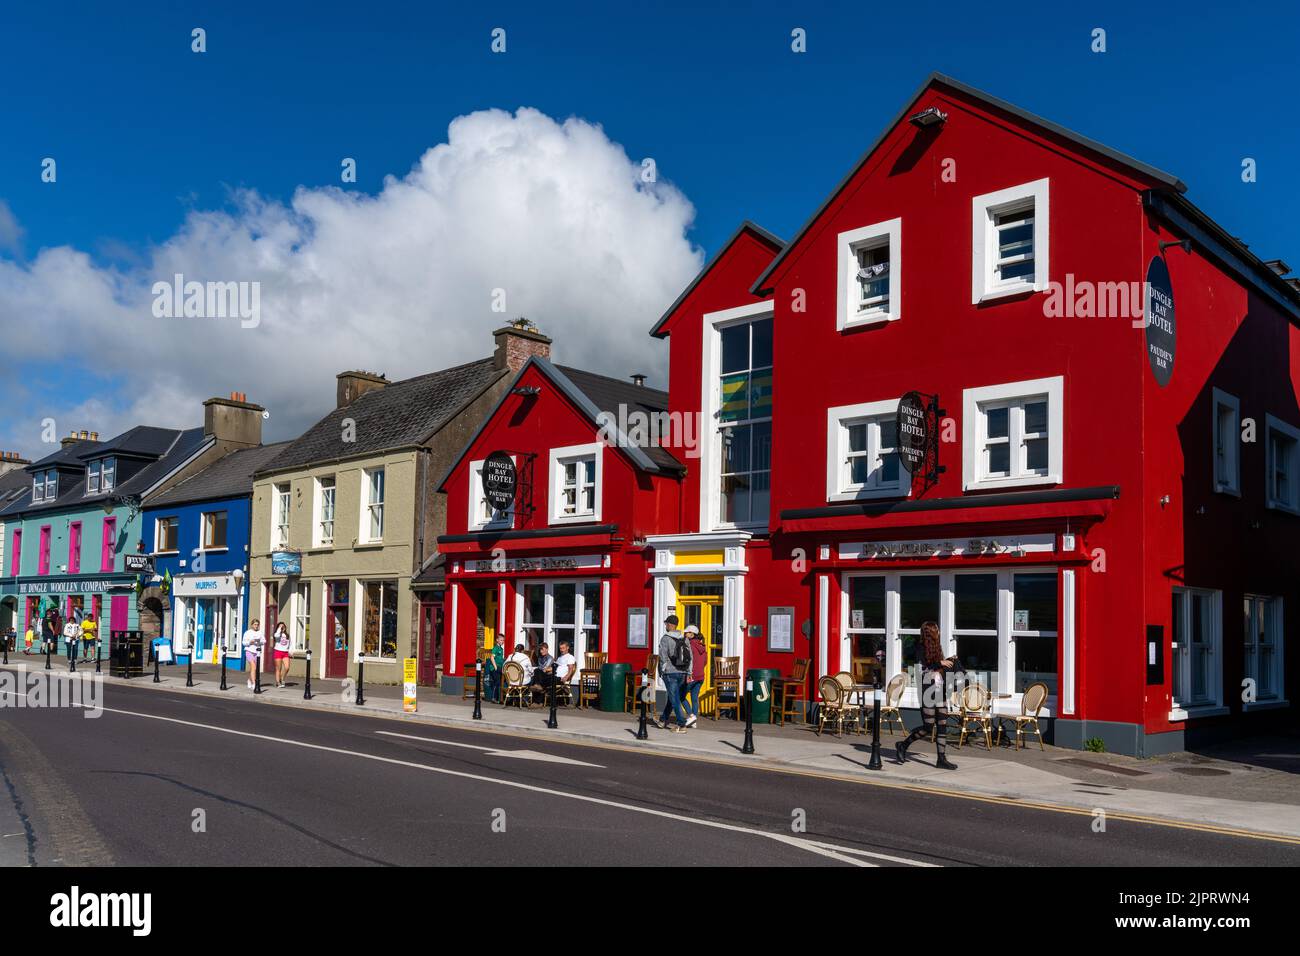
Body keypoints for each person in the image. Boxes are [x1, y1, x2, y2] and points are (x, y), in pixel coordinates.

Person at [894, 621, 959, 770]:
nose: (939, 632)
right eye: (937, 630)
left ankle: (941, 759)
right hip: (927, 691)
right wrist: (940, 663)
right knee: (928, 727)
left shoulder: (938, 647)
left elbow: (938, 667)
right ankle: (903, 745)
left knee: (942, 724)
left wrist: (948, 662)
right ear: (930, 633)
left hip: (939, 688)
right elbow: (924, 668)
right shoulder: (920, 648)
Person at [656, 614, 692, 733]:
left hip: (670, 673)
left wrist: (662, 671)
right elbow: (690, 656)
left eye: (666, 623)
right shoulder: (684, 638)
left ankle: (682, 724)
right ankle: (662, 720)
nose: (665, 625)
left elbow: (663, 657)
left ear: (670, 625)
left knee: (674, 698)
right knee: (674, 697)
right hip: (682, 672)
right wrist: (689, 671)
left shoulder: (665, 638)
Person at [681, 624, 707, 726]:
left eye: (687, 632)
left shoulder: (689, 646)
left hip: (692, 676)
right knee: (694, 698)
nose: (685, 633)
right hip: (701, 676)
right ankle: (694, 722)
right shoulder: (702, 646)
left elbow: (686, 661)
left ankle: (691, 716)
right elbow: (705, 662)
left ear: (692, 634)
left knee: (680, 695)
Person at [242, 618, 265, 689]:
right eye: (255, 624)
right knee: (254, 667)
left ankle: (249, 680)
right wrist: (250, 642)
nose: (256, 626)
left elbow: (264, 641)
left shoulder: (260, 632)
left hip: (257, 652)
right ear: (252, 625)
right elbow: (243, 643)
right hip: (249, 651)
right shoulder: (247, 632)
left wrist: (259, 641)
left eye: (257, 625)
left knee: (253, 668)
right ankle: (254, 683)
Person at [272, 622, 292, 687]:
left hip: (285, 652)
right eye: (281, 627)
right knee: (278, 668)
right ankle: (278, 682)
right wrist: (279, 628)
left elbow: (290, 644)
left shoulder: (287, 635)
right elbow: (276, 635)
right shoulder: (277, 634)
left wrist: (290, 651)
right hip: (278, 651)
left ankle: (282, 678)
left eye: (284, 626)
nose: (283, 628)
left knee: (287, 667)